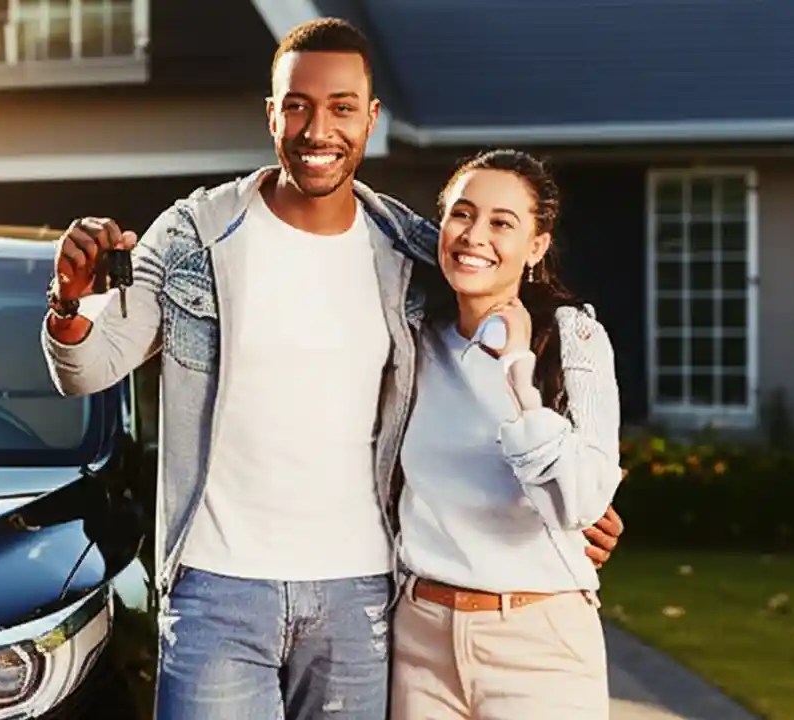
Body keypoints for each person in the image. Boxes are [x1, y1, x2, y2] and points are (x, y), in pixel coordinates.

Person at [40, 18, 622, 720]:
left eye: (343, 107)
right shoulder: (194, 234)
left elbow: (508, 323)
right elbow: (89, 367)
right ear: (272, 114)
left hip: (358, 595)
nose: (320, 129)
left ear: (371, 118)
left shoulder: (406, 252)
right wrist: (69, 302)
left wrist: (580, 506)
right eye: (298, 105)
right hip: (220, 589)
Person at [391, 148, 621, 719]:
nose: (475, 236)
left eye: (502, 223)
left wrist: (519, 374)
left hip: (537, 643)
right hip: (419, 641)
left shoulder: (576, 339)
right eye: (462, 215)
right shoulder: (413, 342)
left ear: (536, 247)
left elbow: (582, 501)